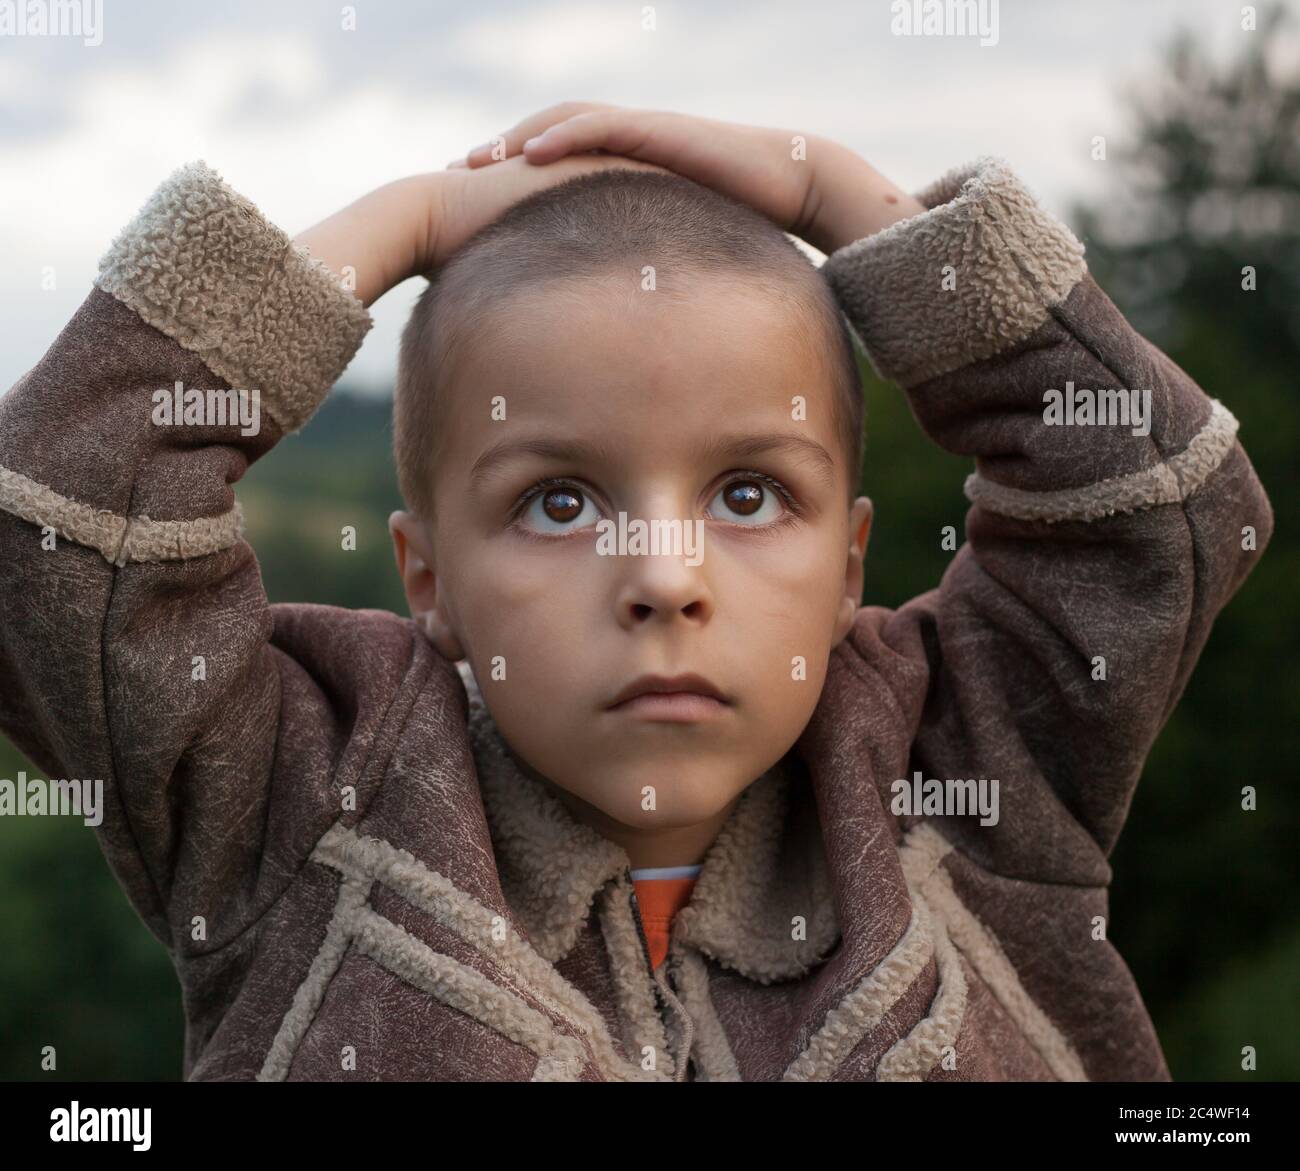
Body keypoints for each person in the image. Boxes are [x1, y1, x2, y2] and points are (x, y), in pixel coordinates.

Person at [0, 103, 1271, 1081]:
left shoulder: (967, 765)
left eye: (749, 494)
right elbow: (54, 528)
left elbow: (1161, 508)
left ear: (846, 566)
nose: (664, 577)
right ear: (429, 580)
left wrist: (834, 190)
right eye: (559, 502)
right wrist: (412, 220)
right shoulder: (296, 801)